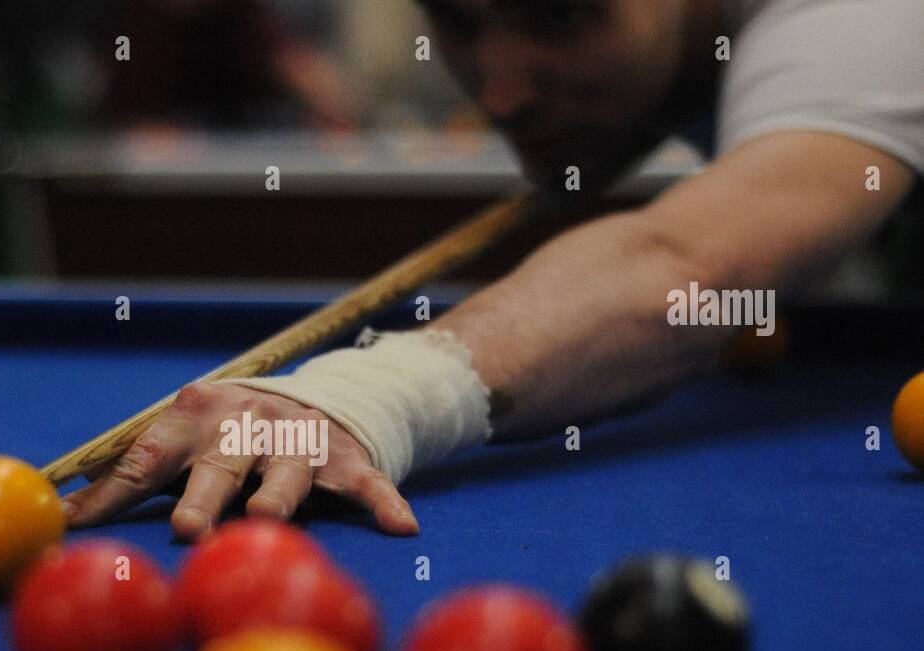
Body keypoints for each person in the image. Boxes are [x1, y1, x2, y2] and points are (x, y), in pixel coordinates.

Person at [63, 0, 923, 538]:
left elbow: (684, 264)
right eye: (460, 21)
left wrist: (364, 396)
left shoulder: (858, 18)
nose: (503, 94)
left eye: (557, 15)